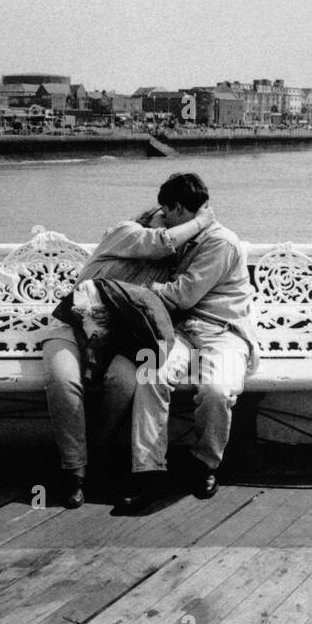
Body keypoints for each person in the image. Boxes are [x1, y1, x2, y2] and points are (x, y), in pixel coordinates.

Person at [43, 204, 216, 508]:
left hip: (113, 341)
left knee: (125, 382)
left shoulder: (165, 268)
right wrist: (202, 220)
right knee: (64, 381)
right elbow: (162, 240)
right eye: (164, 218)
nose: (169, 228)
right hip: (71, 326)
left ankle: (94, 452)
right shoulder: (125, 233)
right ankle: (74, 472)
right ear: (147, 219)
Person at [116, 173, 259, 513]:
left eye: (166, 212)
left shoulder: (220, 242)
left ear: (179, 208)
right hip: (182, 333)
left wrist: (145, 290)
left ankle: (204, 464)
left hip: (222, 334)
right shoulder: (182, 238)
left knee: (216, 390)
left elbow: (183, 294)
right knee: (150, 376)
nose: (164, 220)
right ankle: (149, 472)